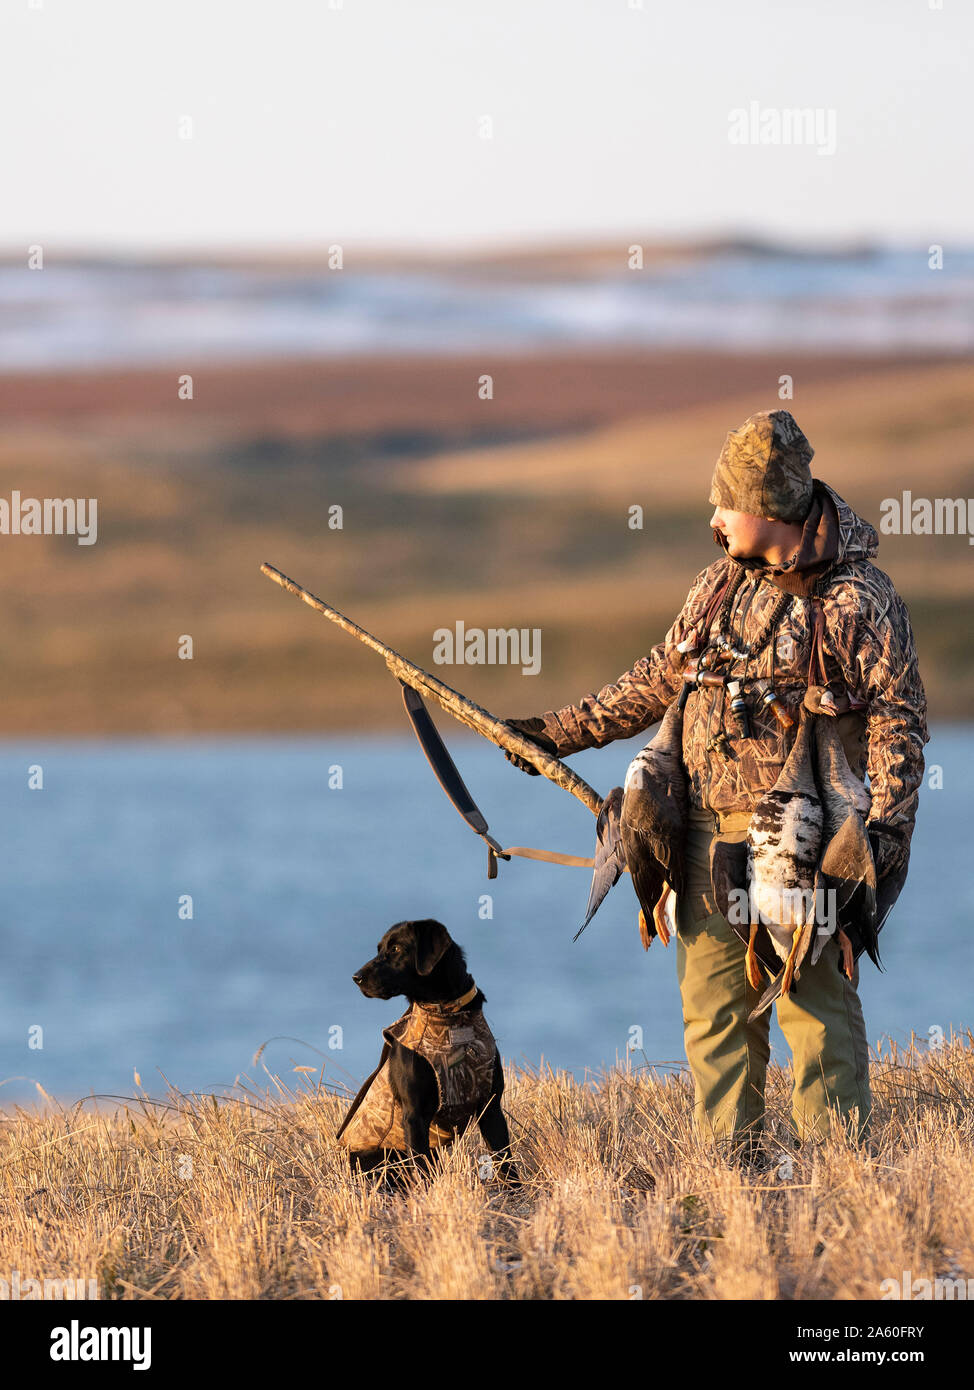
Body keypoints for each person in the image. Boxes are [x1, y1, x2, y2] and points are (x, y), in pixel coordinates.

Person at [505, 410, 928, 1158]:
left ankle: (839, 1178)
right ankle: (733, 1180)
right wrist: (551, 733)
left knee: (812, 1007)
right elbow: (653, 680)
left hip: (800, 842)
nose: (712, 517)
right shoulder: (716, 584)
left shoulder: (861, 601)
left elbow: (899, 722)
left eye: (724, 503)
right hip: (698, 834)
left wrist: (884, 836)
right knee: (713, 1012)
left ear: (765, 508)